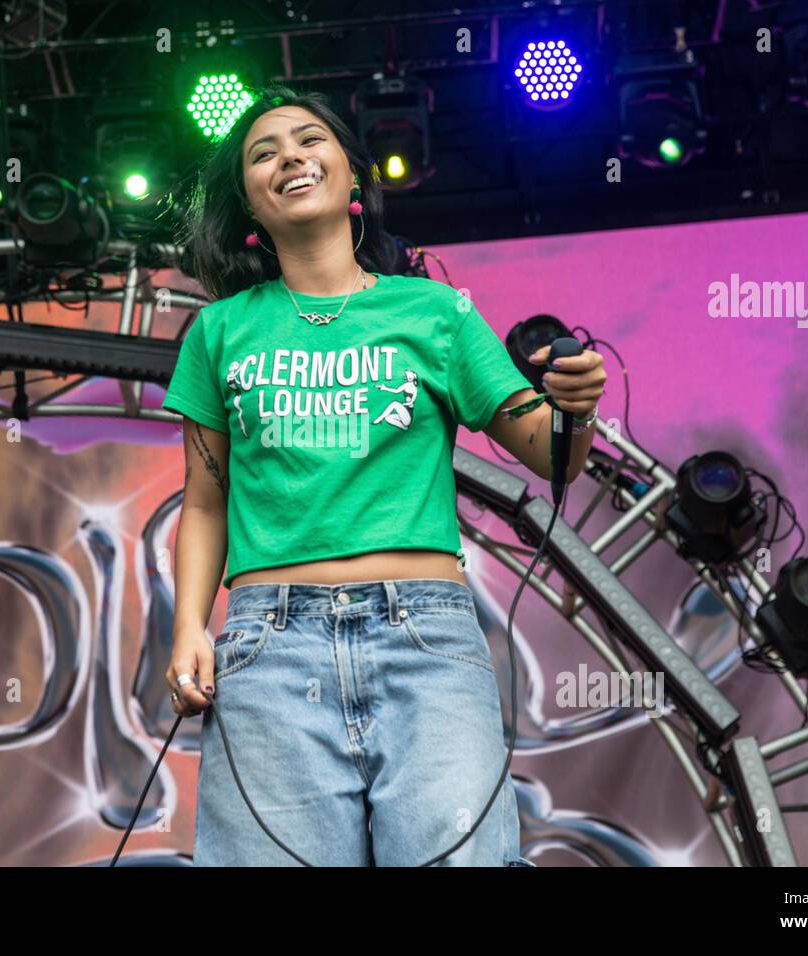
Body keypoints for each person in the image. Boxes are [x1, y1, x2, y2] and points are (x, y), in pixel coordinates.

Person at [160, 85, 605, 866]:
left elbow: (553, 457)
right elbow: (205, 503)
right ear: (250, 209)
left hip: (426, 635)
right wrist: (189, 627)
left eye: (309, 140)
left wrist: (576, 407)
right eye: (264, 154)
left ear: (353, 181)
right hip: (270, 643)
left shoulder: (436, 312)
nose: (290, 157)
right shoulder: (220, 330)